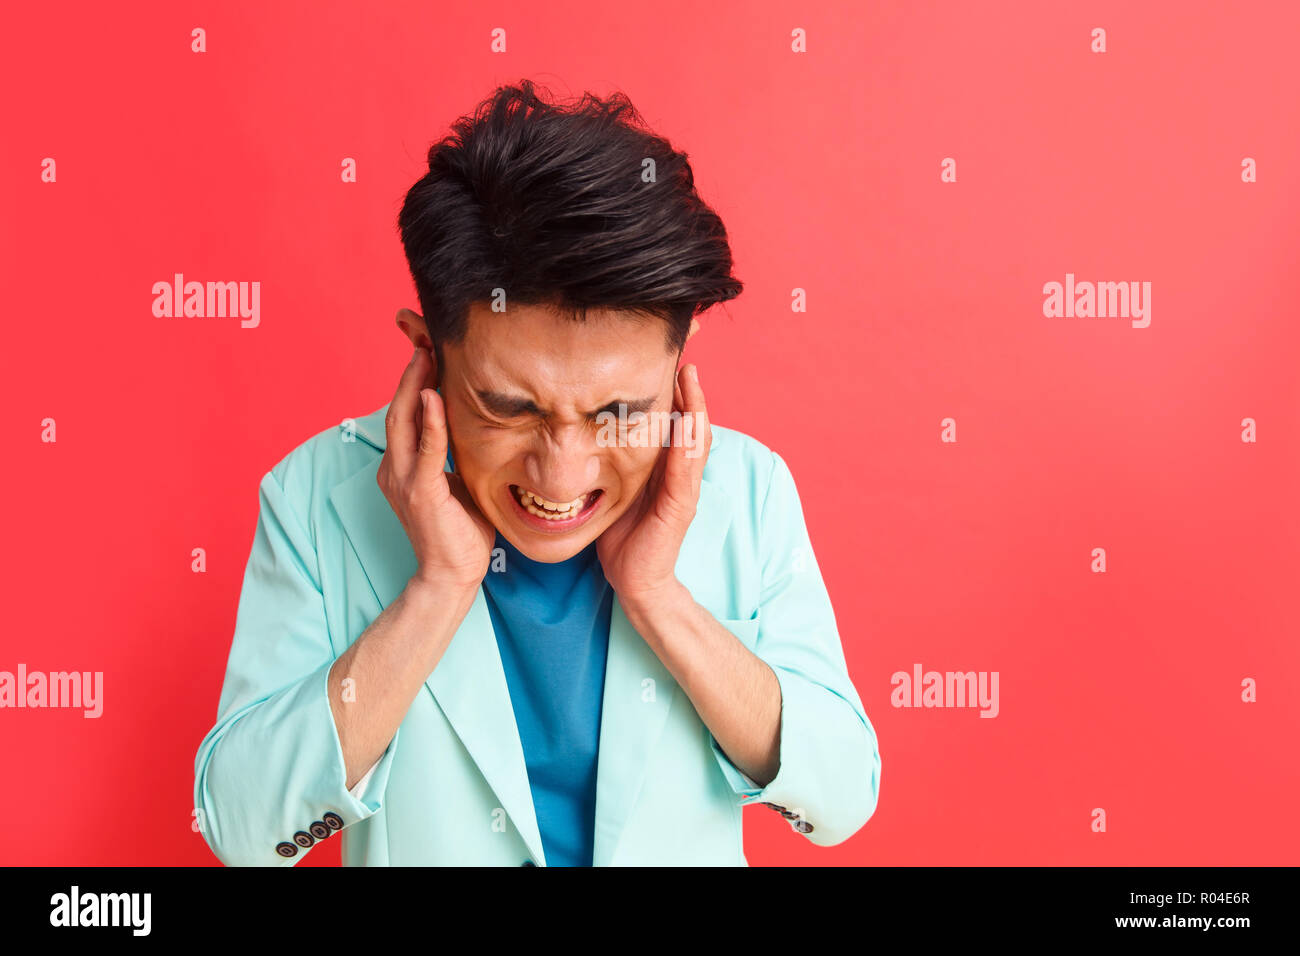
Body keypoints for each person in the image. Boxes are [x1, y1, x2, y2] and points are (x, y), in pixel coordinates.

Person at [193, 79, 881, 866]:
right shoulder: (316, 497)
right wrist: (436, 590)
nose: (563, 476)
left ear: (679, 371)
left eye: (619, 413)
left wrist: (659, 596)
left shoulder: (748, 492)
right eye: (510, 409)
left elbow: (840, 799)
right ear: (428, 356)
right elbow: (241, 833)